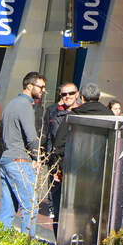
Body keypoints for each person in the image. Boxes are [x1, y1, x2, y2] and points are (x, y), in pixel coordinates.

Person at [0, 71, 47, 238]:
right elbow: (32, 137)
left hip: (6, 159)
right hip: (19, 160)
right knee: (30, 206)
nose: (43, 90)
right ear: (29, 86)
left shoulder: (11, 104)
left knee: (7, 206)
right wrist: (37, 158)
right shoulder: (25, 105)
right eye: (40, 87)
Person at [42, 82, 80, 223]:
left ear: (77, 94)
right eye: (64, 94)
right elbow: (46, 135)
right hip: (57, 164)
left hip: (77, 165)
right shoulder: (53, 112)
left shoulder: (83, 113)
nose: (67, 96)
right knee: (57, 206)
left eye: (71, 93)